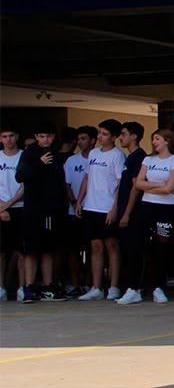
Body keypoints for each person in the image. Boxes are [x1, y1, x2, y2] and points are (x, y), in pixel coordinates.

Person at [117, 129, 174, 305]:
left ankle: (158, 287)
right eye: (153, 139)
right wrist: (158, 185)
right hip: (146, 206)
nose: (154, 142)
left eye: (157, 139)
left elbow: (170, 188)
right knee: (137, 246)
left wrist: (152, 186)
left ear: (167, 141)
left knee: (161, 247)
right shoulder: (148, 160)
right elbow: (138, 183)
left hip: (166, 209)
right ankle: (134, 288)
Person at [15, 122, 70, 302]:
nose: (45, 139)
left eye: (48, 136)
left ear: (53, 137)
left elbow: (61, 183)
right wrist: (39, 163)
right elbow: (20, 176)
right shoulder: (29, 153)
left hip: (53, 210)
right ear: (36, 137)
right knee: (31, 249)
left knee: (49, 248)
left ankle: (48, 286)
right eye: (42, 136)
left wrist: (62, 206)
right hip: (33, 209)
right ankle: (29, 286)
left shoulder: (57, 155)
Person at [75, 120, 126, 301]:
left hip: (107, 207)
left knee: (111, 246)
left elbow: (120, 184)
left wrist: (114, 208)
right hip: (91, 206)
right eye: (99, 133)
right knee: (95, 247)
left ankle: (113, 286)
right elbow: (87, 177)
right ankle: (96, 287)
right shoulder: (94, 153)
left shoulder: (117, 156)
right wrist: (79, 200)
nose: (100, 137)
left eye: (104, 134)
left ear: (113, 137)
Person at [115, 121, 147, 300]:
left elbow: (136, 187)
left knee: (133, 250)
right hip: (124, 210)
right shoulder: (130, 157)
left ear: (134, 136)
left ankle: (135, 288)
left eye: (123, 134)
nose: (120, 138)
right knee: (126, 250)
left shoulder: (138, 157)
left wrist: (127, 213)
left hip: (134, 213)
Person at [62, 126, 95, 296]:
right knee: (73, 250)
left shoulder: (97, 158)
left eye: (83, 138)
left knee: (91, 249)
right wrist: (75, 203)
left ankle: (89, 283)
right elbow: (67, 185)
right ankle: (75, 283)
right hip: (72, 211)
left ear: (92, 140)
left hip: (93, 210)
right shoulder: (71, 160)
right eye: (78, 139)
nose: (80, 142)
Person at [0, 126, 26, 301]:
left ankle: (22, 288)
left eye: (11, 136)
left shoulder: (24, 156)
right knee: (1, 252)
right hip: (1, 208)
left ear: (17, 136)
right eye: (4, 136)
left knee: (22, 251)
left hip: (20, 207)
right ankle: (1, 287)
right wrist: (1, 209)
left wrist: (7, 205)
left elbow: (26, 186)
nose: (8, 139)